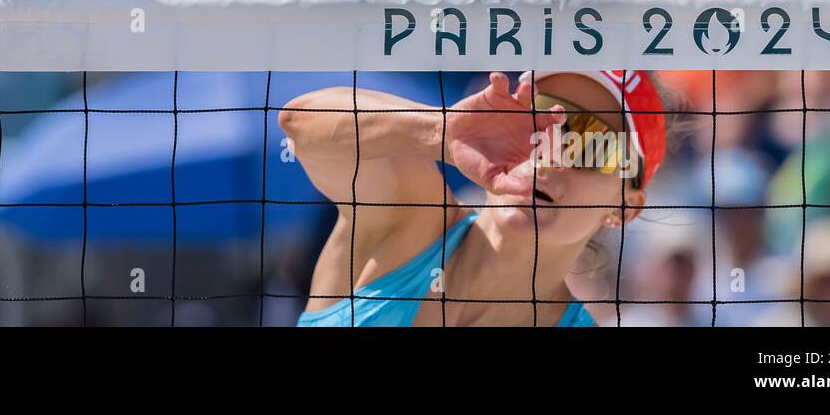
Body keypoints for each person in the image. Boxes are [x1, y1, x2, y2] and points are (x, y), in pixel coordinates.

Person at [281, 69, 667, 326]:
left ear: (623, 208)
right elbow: (299, 124)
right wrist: (441, 132)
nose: (551, 155)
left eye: (592, 144)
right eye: (539, 119)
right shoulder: (410, 216)